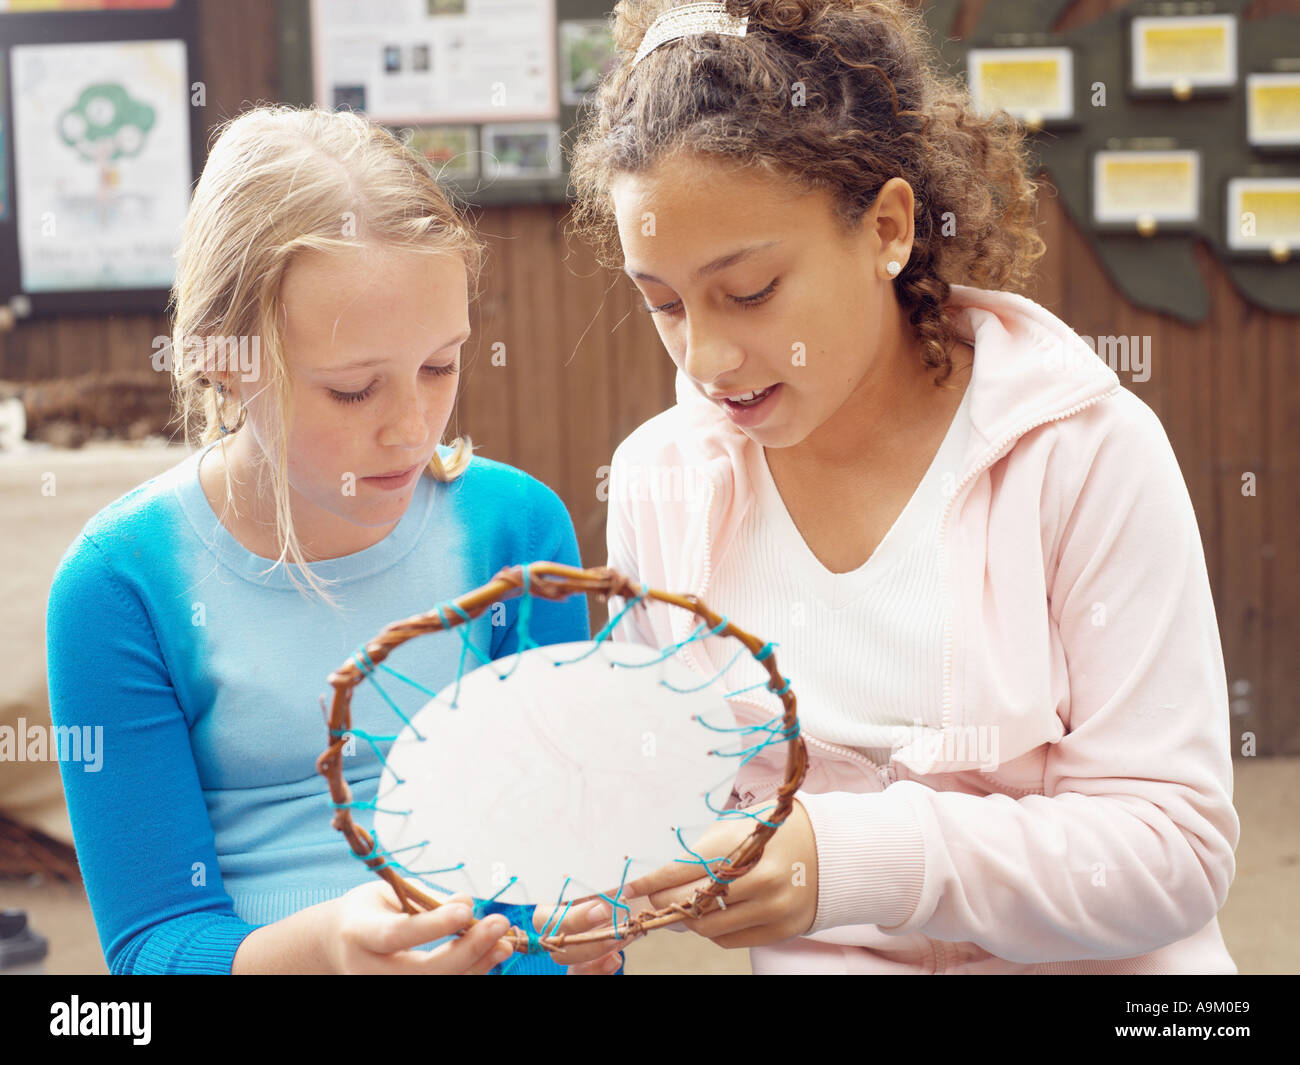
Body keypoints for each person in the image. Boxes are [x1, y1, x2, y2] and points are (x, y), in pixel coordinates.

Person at [544, 0, 1239, 973]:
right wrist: (582, 883)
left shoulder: (1085, 452)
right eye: (660, 302)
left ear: (888, 228)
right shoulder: (663, 478)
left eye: (748, 293)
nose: (704, 355)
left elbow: (1174, 853)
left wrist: (848, 862)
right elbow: (655, 780)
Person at [45, 105, 605, 975]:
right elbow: (151, 949)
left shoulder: (517, 529)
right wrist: (328, 953)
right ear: (222, 361)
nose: (411, 428)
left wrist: (576, 932)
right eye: (352, 390)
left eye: (440, 364)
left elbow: (556, 863)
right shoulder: (120, 585)